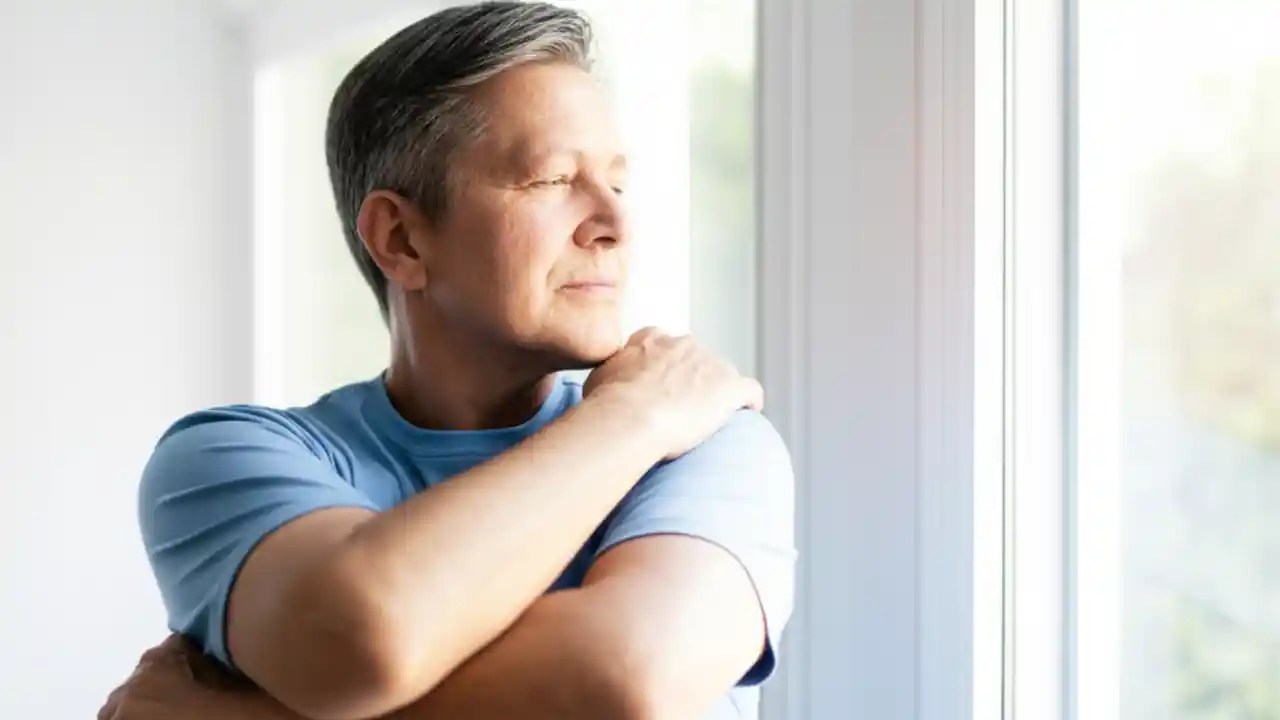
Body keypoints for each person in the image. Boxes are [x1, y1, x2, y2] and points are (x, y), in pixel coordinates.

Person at [97, 3, 795, 719]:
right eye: (552, 180)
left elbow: (622, 673)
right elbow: (363, 638)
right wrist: (631, 418)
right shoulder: (224, 459)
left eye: (616, 183)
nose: (615, 224)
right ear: (400, 239)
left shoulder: (708, 440)